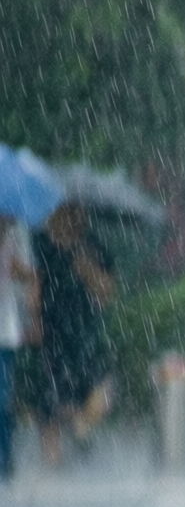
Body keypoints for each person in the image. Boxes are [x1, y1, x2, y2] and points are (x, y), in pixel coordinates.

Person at [30, 202, 115, 467]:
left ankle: (78, 421)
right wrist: (33, 319)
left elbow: (107, 291)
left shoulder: (92, 245)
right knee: (49, 405)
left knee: (100, 391)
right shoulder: (41, 244)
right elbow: (32, 283)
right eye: (65, 212)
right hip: (50, 332)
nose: (72, 218)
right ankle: (51, 466)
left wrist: (86, 267)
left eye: (77, 212)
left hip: (84, 333)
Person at [0, 215, 40, 480]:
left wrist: (17, 269)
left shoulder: (18, 232)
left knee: (3, 396)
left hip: (5, 330)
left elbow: (31, 276)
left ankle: (5, 458)